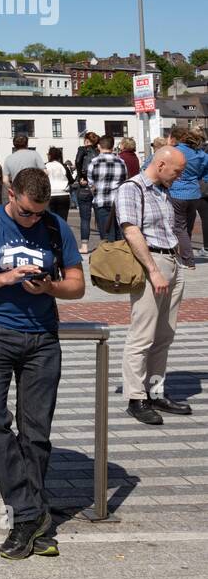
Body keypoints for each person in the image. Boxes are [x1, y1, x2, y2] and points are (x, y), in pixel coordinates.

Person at [0, 168, 85, 560]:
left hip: (43, 338)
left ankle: (27, 520)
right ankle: (32, 513)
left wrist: (50, 287)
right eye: (27, 213)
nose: (33, 220)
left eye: (39, 213)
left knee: (36, 432)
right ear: (12, 194)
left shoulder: (56, 226)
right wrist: (6, 277)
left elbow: (77, 285)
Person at [117, 147, 190, 425]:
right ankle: (136, 397)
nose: (180, 176)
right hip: (153, 264)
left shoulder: (161, 190)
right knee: (142, 335)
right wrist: (153, 270)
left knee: (164, 335)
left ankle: (156, 391)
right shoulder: (132, 188)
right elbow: (131, 230)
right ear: (161, 164)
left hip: (172, 261)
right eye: (177, 171)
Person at [166, 125, 207, 268]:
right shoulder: (200, 153)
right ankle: (184, 255)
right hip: (194, 193)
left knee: (179, 227)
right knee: (186, 227)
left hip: (177, 192)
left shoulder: (174, 151)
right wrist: (199, 177)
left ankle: (187, 260)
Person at [87, 135, 127, 243]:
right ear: (113, 146)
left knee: (106, 236)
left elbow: (91, 183)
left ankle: (110, 258)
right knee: (119, 235)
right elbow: (124, 181)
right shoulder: (121, 162)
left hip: (101, 202)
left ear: (99, 146)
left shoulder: (94, 162)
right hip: (118, 203)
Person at [73, 132, 100, 254]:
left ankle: (84, 246)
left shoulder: (82, 149)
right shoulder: (99, 151)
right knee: (100, 216)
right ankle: (104, 244)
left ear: (86, 140)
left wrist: (80, 176)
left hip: (84, 186)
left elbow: (78, 161)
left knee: (85, 219)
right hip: (98, 186)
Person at [44, 146, 73, 222]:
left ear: (50, 155)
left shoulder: (45, 166)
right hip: (63, 195)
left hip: (50, 195)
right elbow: (71, 180)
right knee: (62, 220)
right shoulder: (64, 167)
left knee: (50, 221)